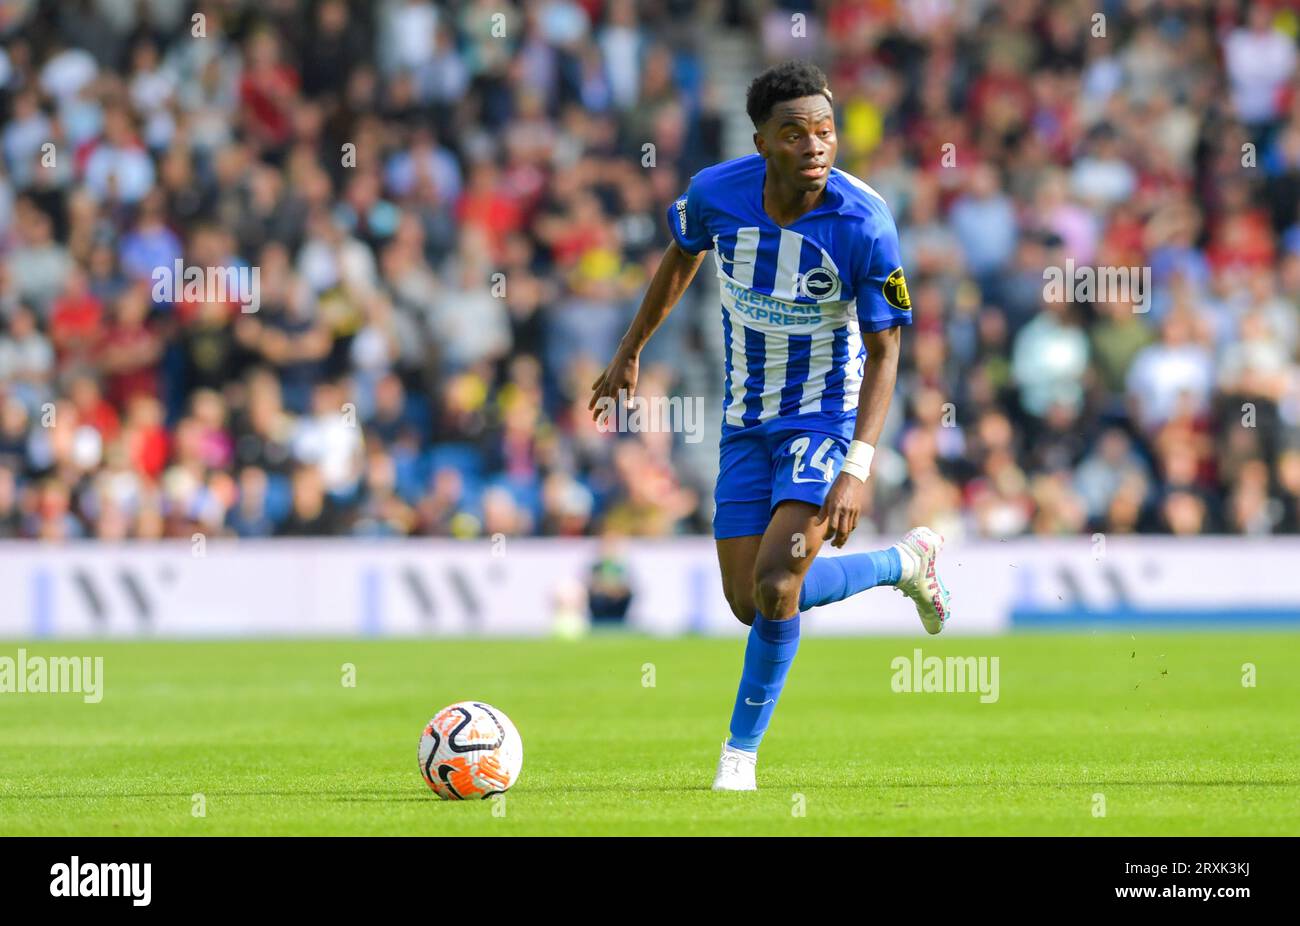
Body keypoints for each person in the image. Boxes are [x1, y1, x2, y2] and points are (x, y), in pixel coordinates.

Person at [589, 61, 953, 791]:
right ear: (762, 143)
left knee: (780, 581)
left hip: (822, 419)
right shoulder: (716, 195)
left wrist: (858, 464)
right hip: (744, 419)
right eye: (795, 134)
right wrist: (630, 349)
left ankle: (739, 756)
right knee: (747, 601)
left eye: (825, 131)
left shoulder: (863, 223)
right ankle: (904, 564)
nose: (816, 146)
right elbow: (679, 257)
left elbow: (887, 349)